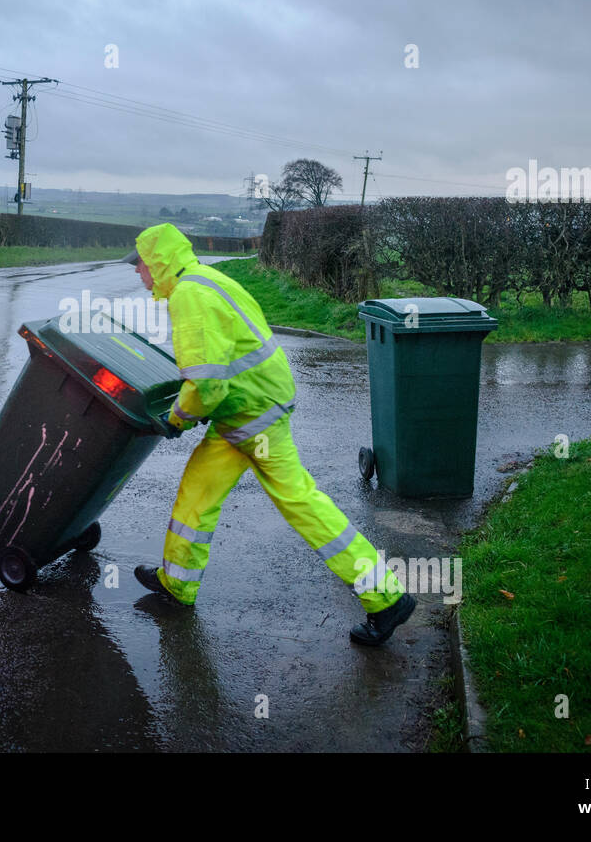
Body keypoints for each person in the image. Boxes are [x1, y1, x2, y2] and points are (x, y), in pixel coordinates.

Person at [123, 223, 415, 645]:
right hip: (242, 411)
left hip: (254, 414)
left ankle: (386, 597)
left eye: (140, 265)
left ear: (157, 262)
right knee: (198, 490)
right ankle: (177, 583)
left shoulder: (188, 295)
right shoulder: (205, 279)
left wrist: (176, 418)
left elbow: (206, 384)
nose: (138, 273)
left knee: (301, 502)